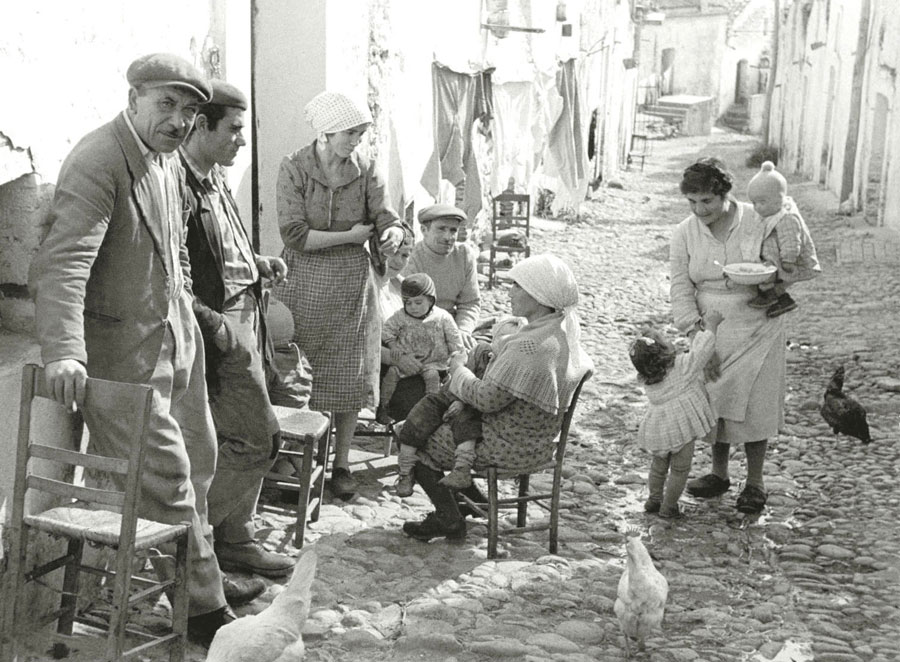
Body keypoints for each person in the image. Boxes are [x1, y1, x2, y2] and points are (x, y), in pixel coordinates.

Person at [28, 53, 257, 646]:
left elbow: (173, 249)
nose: (179, 120)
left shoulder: (164, 161)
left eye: (188, 110)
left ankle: (187, 578)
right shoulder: (101, 159)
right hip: (120, 358)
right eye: (166, 105)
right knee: (170, 479)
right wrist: (65, 352)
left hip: (175, 342)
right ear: (133, 101)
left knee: (201, 461)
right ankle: (206, 613)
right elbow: (63, 262)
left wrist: (187, 319)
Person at [179, 79, 293, 578]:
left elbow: (220, 249)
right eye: (235, 130)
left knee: (240, 438)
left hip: (247, 313)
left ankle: (236, 540)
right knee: (257, 440)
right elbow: (176, 277)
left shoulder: (215, 176)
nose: (242, 141)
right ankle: (192, 544)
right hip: (218, 326)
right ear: (201, 124)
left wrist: (255, 263)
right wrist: (220, 332)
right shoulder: (178, 185)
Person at [399, 253, 593, 542]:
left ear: (538, 295)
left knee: (414, 435)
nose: (510, 292)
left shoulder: (529, 345)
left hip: (503, 445)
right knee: (442, 422)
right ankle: (467, 499)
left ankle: (449, 517)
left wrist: (459, 369)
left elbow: (487, 399)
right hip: (537, 443)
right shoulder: (560, 333)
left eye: (517, 286)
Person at [273, 91, 404, 499]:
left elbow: (386, 217)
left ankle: (341, 463)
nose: (356, 142)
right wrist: (350, 236)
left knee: (347, 377)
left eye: (361, 134)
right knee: (299, 372)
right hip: (303, 282)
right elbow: (293, 235)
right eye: (350, 133)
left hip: (350, 287)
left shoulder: (365, 170)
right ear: (327, 133)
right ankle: (296, 459)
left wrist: (393, 232)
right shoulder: (294, 168)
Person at [670, 157, 787, 515]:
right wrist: (696, 332)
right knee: (714, 399)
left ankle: (755, 482)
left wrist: (773, 277)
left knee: (755, 403)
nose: (699, 209)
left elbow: (786, 265)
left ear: (724, 194)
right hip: (711, 326)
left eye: (706, 200)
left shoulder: (758, 219)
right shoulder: (684, 232)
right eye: (692, 202)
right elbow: (680, 286)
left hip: (758, 323)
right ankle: (718, 474)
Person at [394, 315, 524, 498]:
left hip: (475, 407)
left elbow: (489, 400)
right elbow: (460, 376)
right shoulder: (482, 352)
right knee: (418, 416)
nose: (502, 347)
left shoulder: (511, 366)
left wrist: (463, 403)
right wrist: (458, 397)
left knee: (466, 422)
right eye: (500, 340)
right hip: (454, 394)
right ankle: (405, 471)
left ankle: (461, 471)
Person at [629, 310, 723, 519]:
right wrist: (712, 326)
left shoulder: (647, 380)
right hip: (681, 427)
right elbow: (702, 351)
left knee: (658, 467)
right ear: (665, 350)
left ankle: (654, 499)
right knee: (680, 470)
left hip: (658, 429)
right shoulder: (681, 367)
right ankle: (669, 506)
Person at [377, 273, 463, 423]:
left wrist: (455, 354)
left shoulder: (442, 317)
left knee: (432, 377)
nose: (413, 307)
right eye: (408, 303)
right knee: (391, 374)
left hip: (432, 361)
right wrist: (393, 345)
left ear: (430, 300)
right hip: (406, 359)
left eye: (418, 302)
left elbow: (454, 338)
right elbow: (387, 331)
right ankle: (384, 406)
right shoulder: (401, 316)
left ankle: (431, 407)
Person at [745, 161, 821, 317]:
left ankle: (778, 297)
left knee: (770, 274)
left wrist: (788, 259)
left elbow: (791, 240)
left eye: (762, 202)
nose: (757, 207)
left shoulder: (786, 218)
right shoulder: (770, 214)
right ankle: (773, 296)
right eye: (754, 203)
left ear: (779, 198)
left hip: (783, 257)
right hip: (773, 254)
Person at [404, 204, 480, 350]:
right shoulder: (411, 258)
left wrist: (463, 330)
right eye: (441, 229)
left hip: (454, 325)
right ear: (424, 230)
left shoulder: (464, 255)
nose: (448, 237)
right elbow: (409, 309)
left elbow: (470, 302)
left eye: (453, 230)